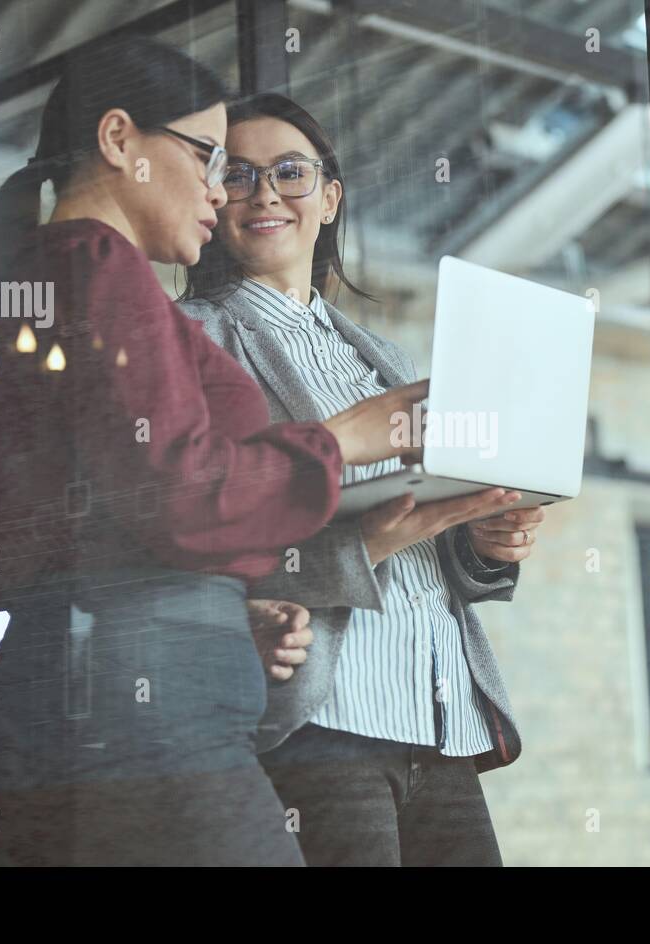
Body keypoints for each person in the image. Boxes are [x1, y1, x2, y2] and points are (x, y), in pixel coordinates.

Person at [0, 39, 421, 866]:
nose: (219, 189)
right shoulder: (97, 264)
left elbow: (79, 524)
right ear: (118, 140)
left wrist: (208, 612)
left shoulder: (44, 273)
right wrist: (341, 439)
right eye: (208, 157)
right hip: (138, 727)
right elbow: (183, 492)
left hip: (94, 701)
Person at [181, 93, 547, 866]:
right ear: (214, 198)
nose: (265, 193)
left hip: (441, 715)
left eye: (290, 172)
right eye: (237, 175)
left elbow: (427, 538)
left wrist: (483, 540)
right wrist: (362, 549)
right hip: (325, 722)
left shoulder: (390, 360)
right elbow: (198, 535)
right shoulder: (194, 340)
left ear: (330, 198)